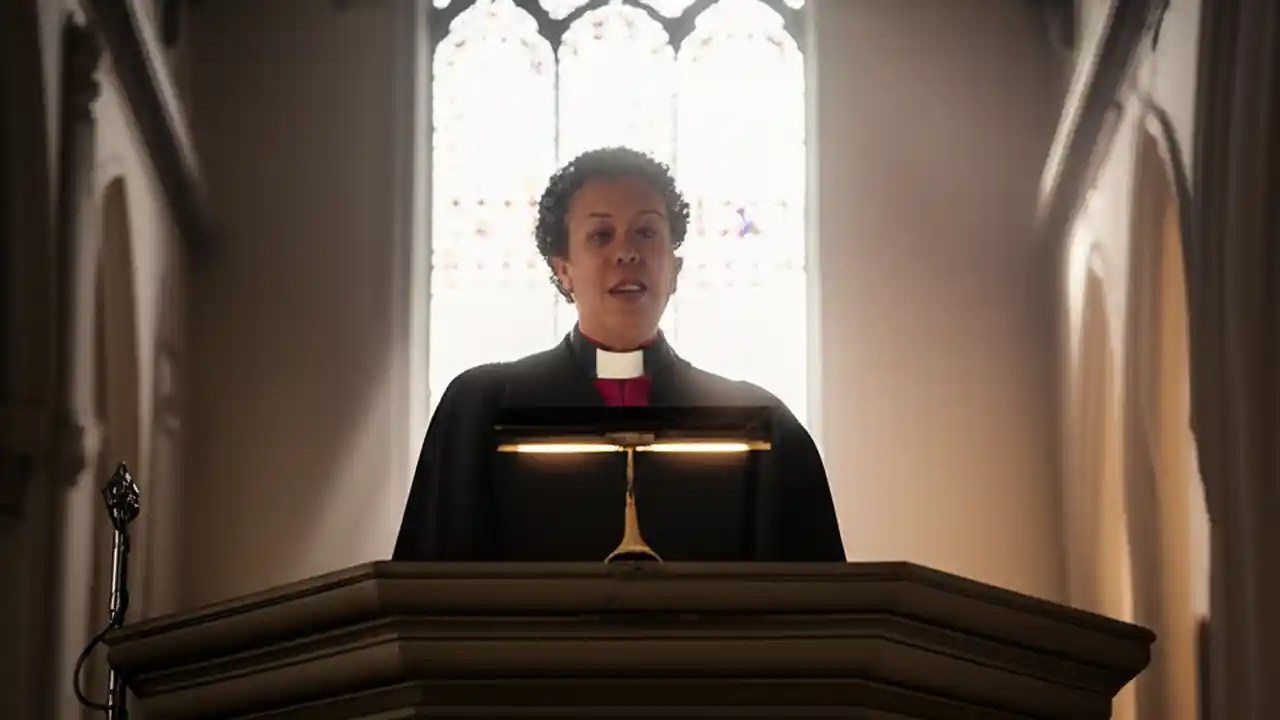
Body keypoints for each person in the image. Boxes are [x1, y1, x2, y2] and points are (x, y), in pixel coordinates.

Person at [393, 147, 844, 561]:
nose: (627, 252)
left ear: (675, 268)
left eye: (647, 232)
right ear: (562, 270)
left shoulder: (760, 422)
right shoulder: (479, 409)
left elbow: (823, 616)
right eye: (600, 235)